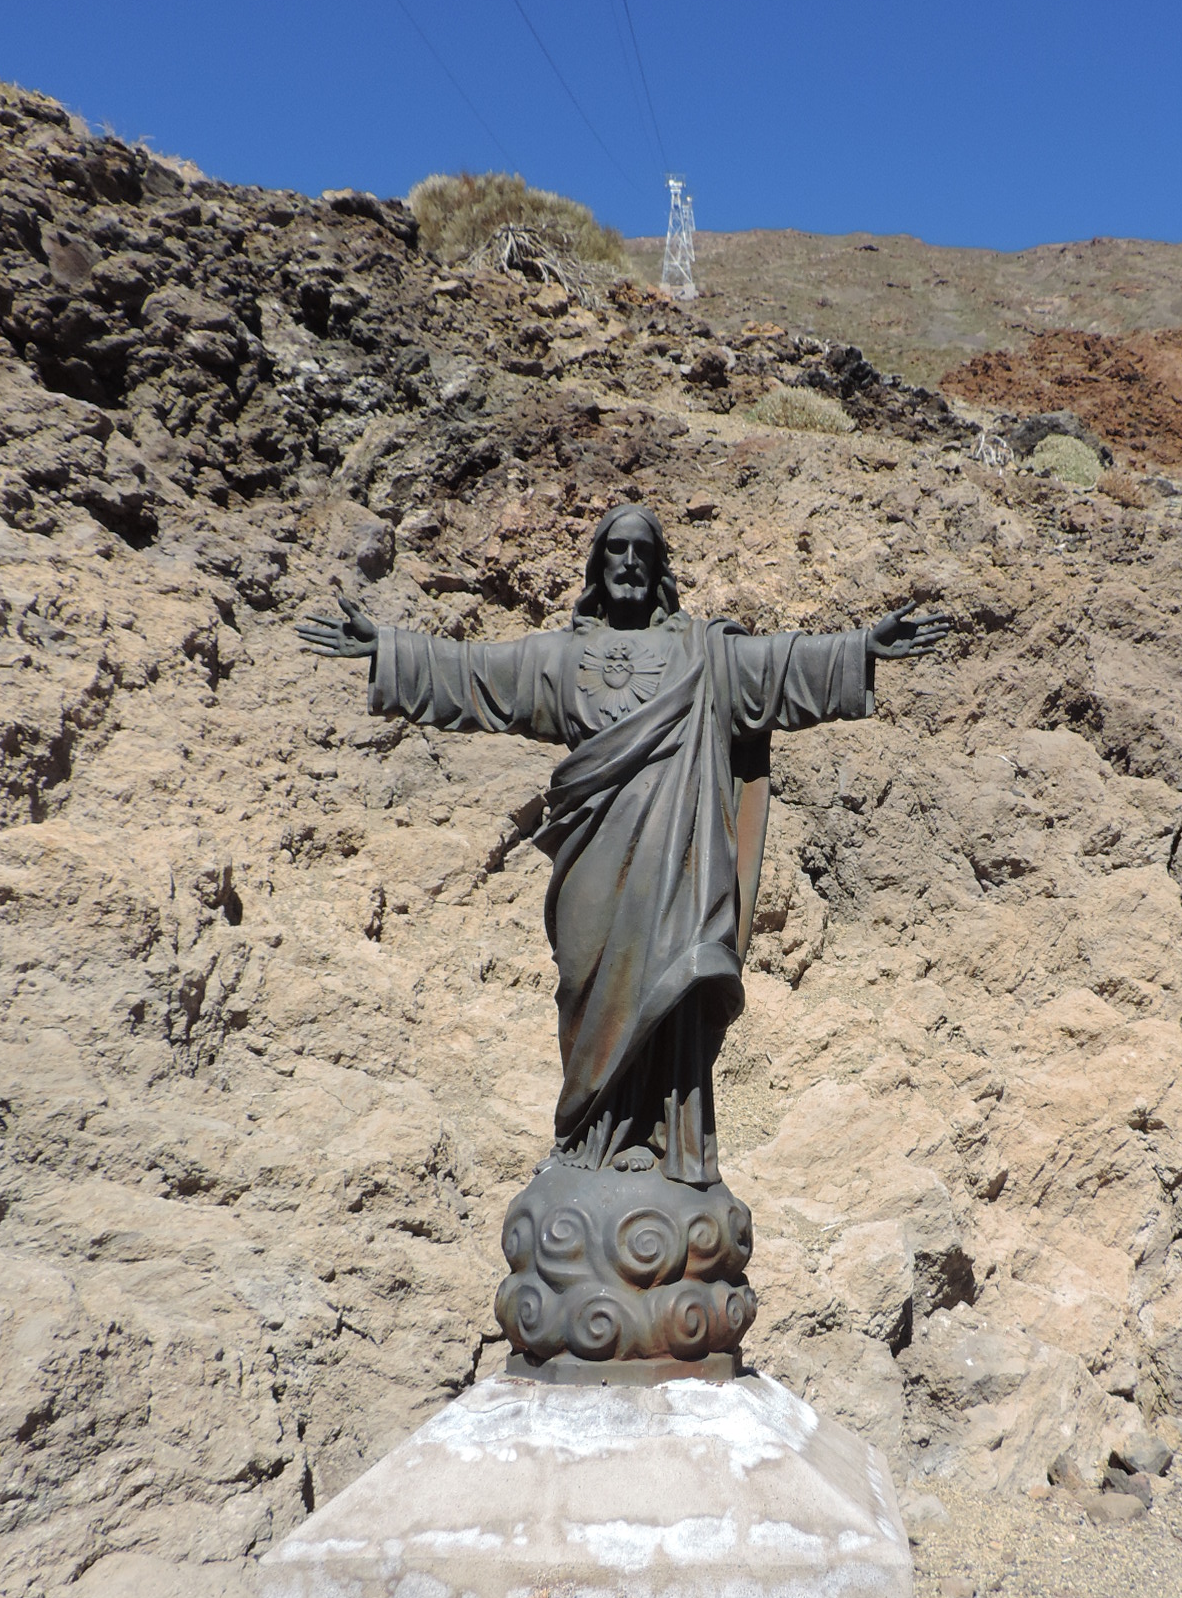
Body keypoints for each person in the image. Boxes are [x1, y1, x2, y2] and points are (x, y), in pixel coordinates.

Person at [299, 503, 949, 1186]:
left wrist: (859, 649)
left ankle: (660, 1138)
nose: (630, 563)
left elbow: (779, 665)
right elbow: (475, 675)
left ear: (660, 570)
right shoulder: (561, 656)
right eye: (617, 552)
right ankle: (586, 1135)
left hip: (675, 864)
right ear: (597, 568)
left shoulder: (703, 654)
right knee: (585, 986)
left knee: (667, 992)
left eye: (643, 552)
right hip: (593, 860)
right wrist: (388, 650)